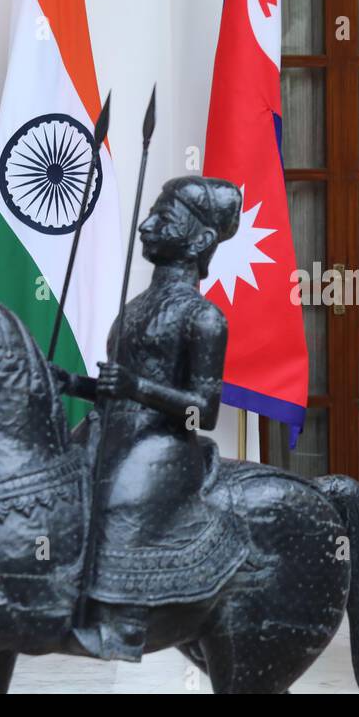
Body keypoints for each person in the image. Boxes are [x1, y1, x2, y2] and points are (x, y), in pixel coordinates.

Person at [56, 176, 246, 662]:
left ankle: (126, 621)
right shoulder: (137, 307)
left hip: (162, 444)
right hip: (113, 430)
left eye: (164, 217)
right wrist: (73, 383)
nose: (146, 225)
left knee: (119, 498)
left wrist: (137, 389)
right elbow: (115, 388)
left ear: (201, 239)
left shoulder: (203, 317)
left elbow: (203, 410)